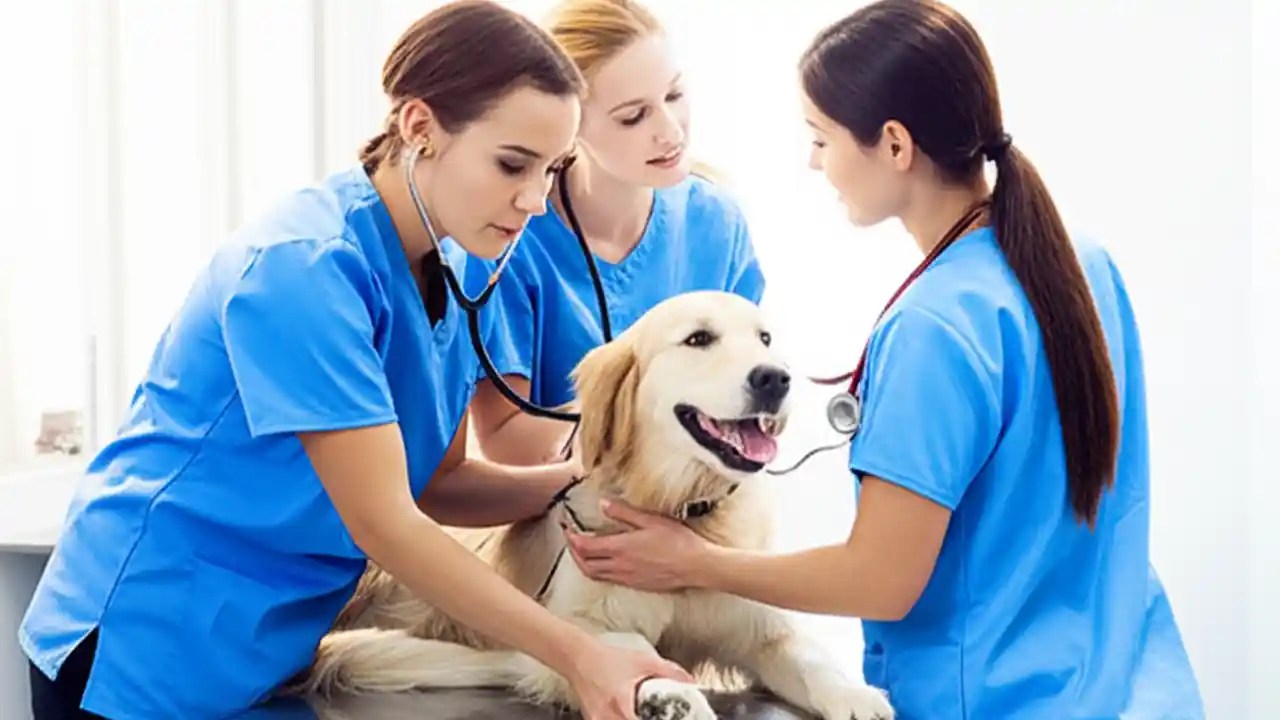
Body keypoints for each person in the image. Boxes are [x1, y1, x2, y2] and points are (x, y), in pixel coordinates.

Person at [18, 2, 690, 718]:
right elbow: (386, 523)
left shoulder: (464, 258)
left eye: (551, 169)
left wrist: (579, 488)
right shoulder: (301, 270)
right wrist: (583, 656)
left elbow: (440, 482)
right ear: (419, 127)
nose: (533, 201)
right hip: (147, 640)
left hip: (265, 647)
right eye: (511, 164)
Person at [561, 1, 1206, 718]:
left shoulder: (934, 327)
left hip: (985, 702)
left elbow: (881, 579)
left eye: (821, 138)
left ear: (895, 145)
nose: (814, 162)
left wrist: (695, 563)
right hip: (1137, 693)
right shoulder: (1082, 264)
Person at [466, 0, 766, 465]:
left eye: (674, 95)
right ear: (569, 125)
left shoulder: (716, 224)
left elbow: (746, 399)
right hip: (558, 512)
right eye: (633, 116)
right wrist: (644, 417)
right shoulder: (510, 238)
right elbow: (505, 438)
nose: (670, 132)